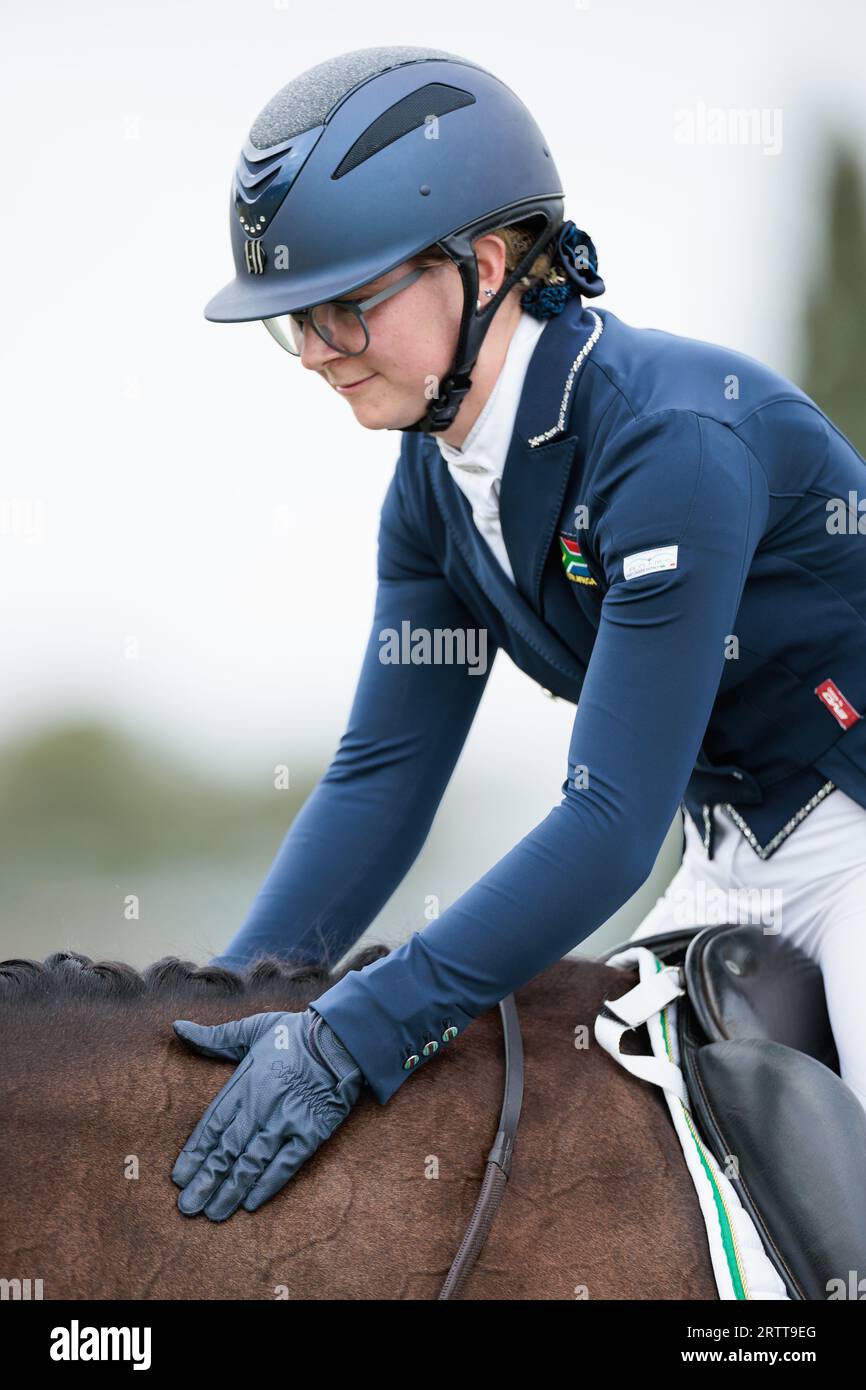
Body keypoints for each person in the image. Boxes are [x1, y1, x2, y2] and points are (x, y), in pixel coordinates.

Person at [171, 44, 866, 1222]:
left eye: (348, 306)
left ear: (482, 264)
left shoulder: (672, 442)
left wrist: (351, 1036)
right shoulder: (432, 484)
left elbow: (603, 826)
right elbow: (383, 775)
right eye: (296, 322)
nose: (319, 355)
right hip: (725, 860)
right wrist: (234, 1007)